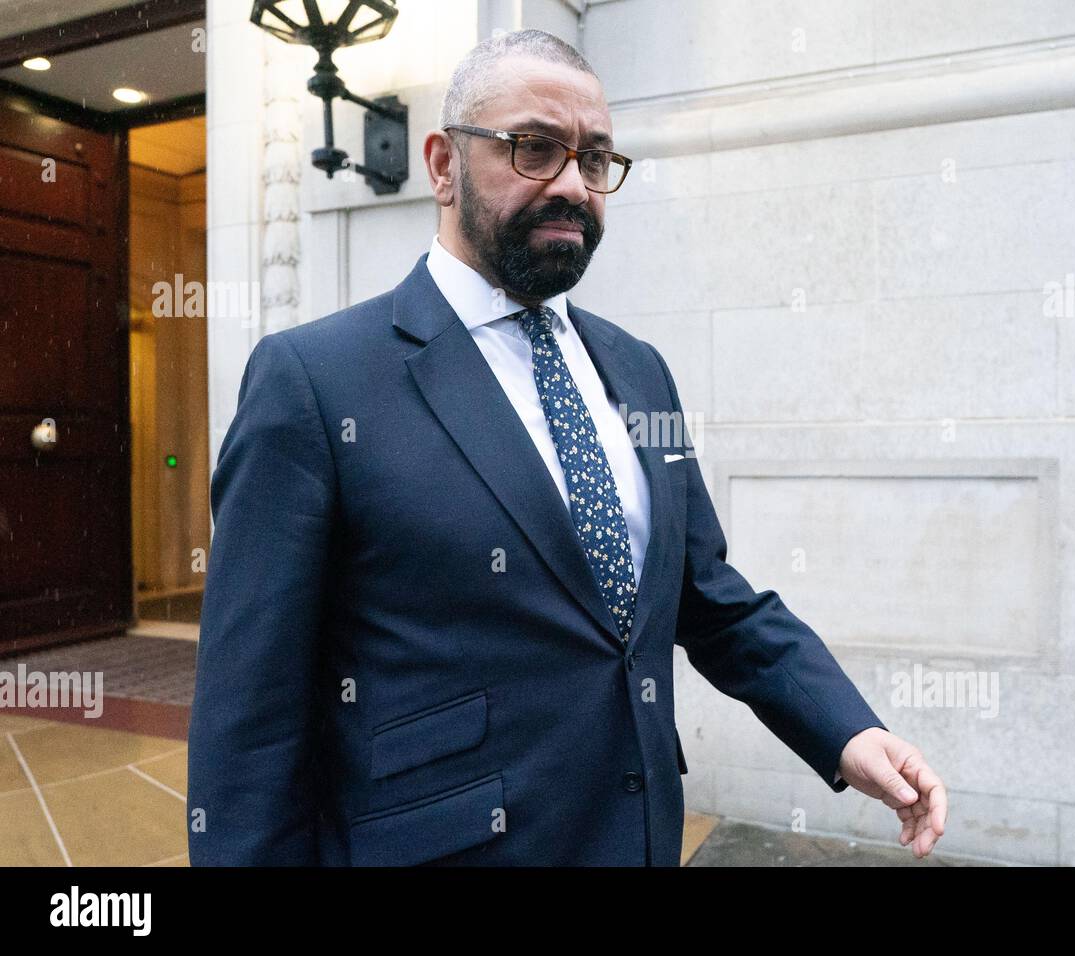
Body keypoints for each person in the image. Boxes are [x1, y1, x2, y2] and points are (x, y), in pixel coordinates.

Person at [187, 28, 946, 866]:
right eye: (535, 149)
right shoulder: (314, 381)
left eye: (595, 160)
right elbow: (248, 717)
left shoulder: (638, 370)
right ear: (443, 164)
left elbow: (707, 596)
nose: (572, 185)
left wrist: (849, 731)